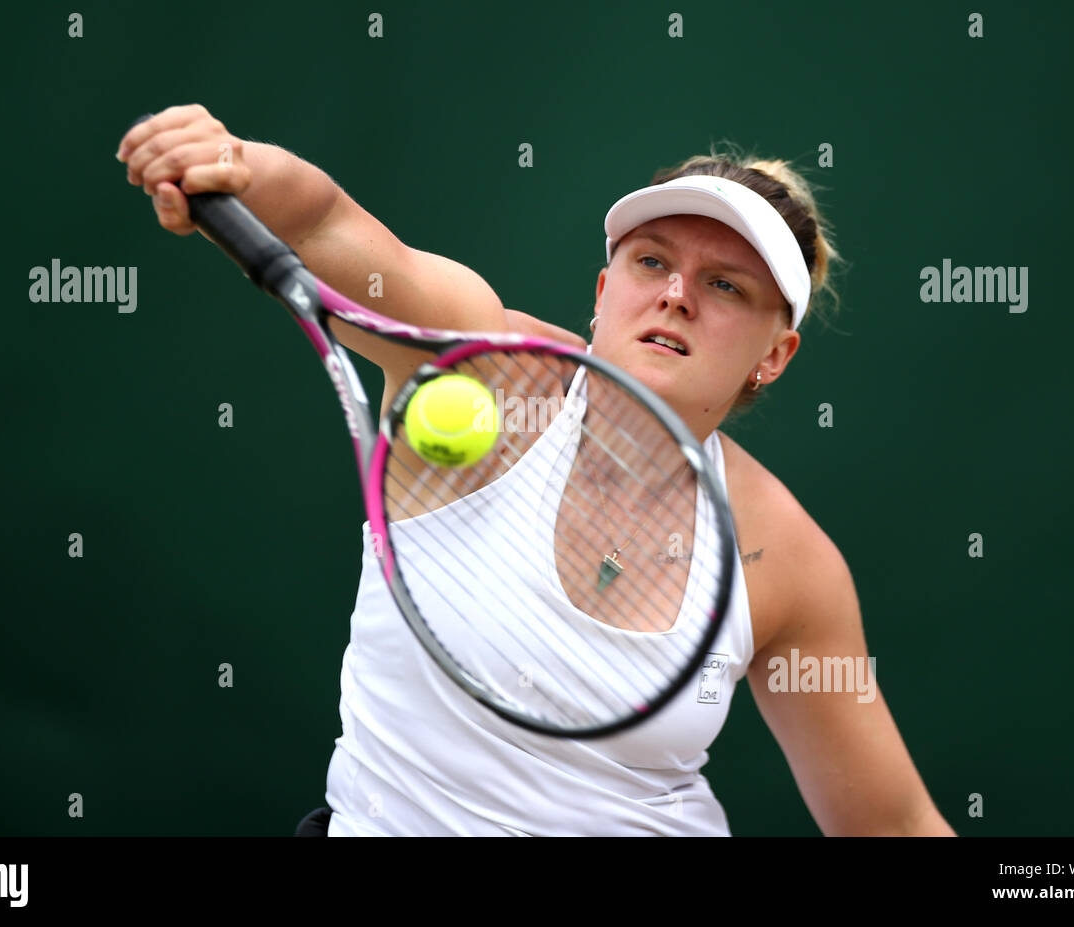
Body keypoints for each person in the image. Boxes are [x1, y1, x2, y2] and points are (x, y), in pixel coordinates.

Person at [118, 104, 956, 837]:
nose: (676, 294)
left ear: (773, 356)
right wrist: (235, 164)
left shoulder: (786, 558)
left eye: (726, 285)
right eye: (652, 261)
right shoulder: (479, 361)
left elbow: (892, 823)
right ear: (603, 289)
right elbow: (322, 225)